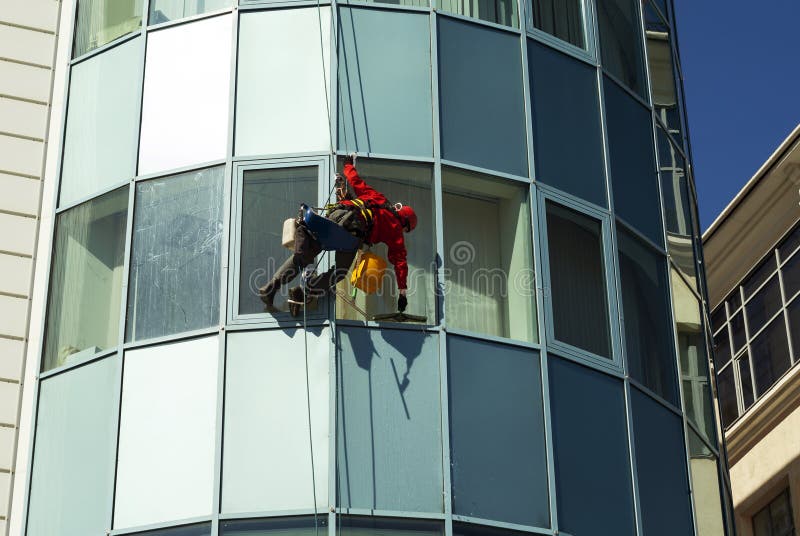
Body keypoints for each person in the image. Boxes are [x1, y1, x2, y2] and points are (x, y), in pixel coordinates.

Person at [259, 154, 417, 316]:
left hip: (335, 216)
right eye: (406, 229)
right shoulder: (395, 228)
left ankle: (271, 287)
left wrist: (347, 164)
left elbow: (355, 181)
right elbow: (400, 263)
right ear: (404, 222)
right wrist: (402, 293)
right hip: (351, 232)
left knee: (305, 254)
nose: (403, 232)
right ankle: (309, 289)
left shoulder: (378, 198)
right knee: (340, 271)